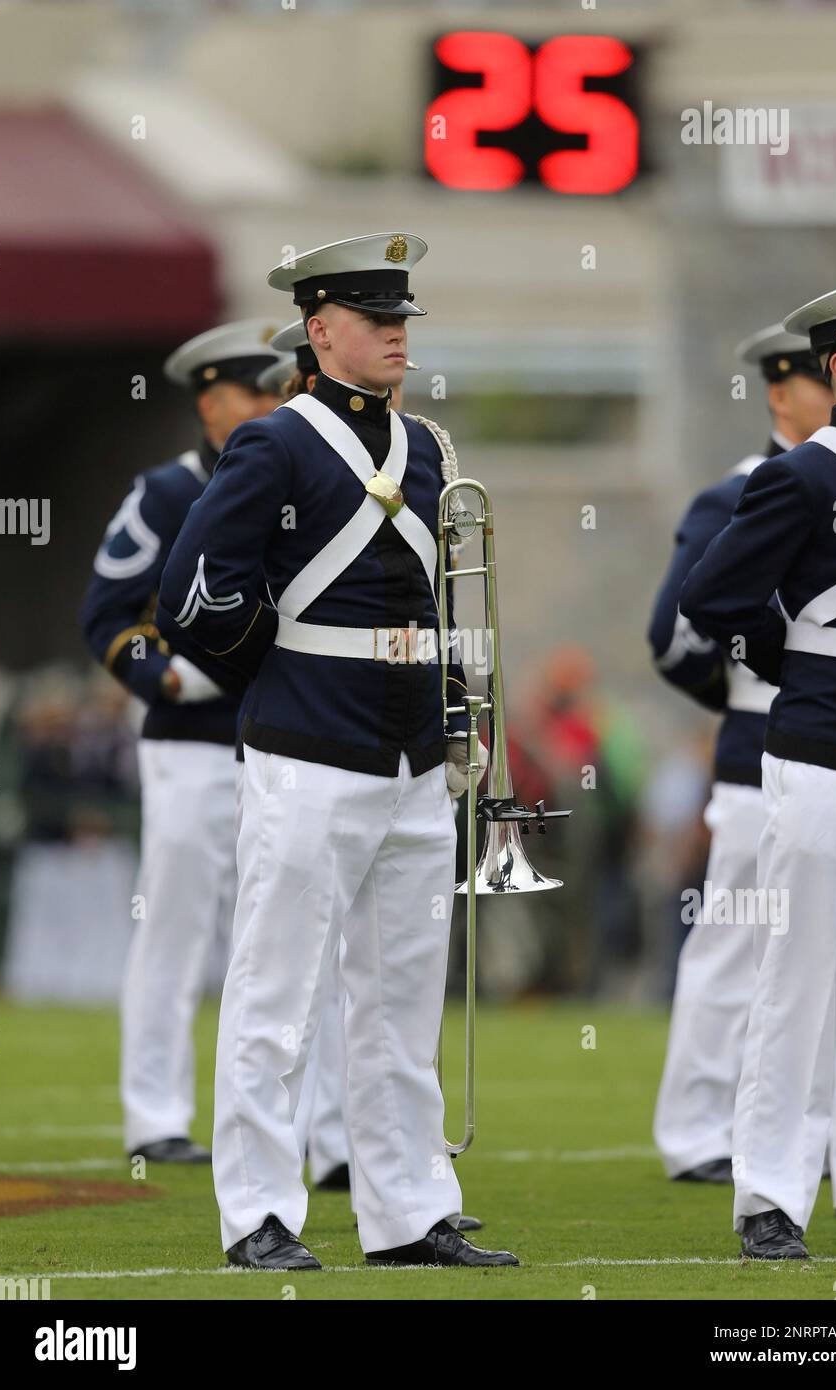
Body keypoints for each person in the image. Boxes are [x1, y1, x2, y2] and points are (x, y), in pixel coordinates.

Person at [158, 233, 514, 1270]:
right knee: (277, 993)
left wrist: (460, 713)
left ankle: (406, 1211)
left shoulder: (431, 448)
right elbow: (191, 588)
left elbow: (442, 604)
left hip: (410, 756)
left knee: (402, 1000)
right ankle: (260, 1213)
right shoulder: (273, 443)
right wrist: (274, 665)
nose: (398, 333)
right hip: (307, 748)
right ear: (320, 331)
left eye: (403, 318)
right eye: (376, 318)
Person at [680, 274, 836, 1258]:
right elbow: (713, 593)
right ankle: (767, 1197)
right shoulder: (804, 474)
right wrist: (792, 663)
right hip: (819, 758)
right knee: (794, 979)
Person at [80, 320, 283, 1163]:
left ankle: (298, 1124)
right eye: (253, 391)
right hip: (191, 741)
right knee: (176, 924)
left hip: (277, 742)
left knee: (283, 937)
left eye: (277, 390)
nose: (271, 404)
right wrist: (167, 677)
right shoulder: (165, 493)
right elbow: (107, 610)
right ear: (209, 401)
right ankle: (156, 1116)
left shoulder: (293, 486)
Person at [650, 324, 836, 1192]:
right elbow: (676, 637)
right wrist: (748, 698)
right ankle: (695, 1129)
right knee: (734, 945)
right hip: (762, 745)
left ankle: (831, 1139)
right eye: (819, 379)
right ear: (779, 391)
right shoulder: (735, 493)